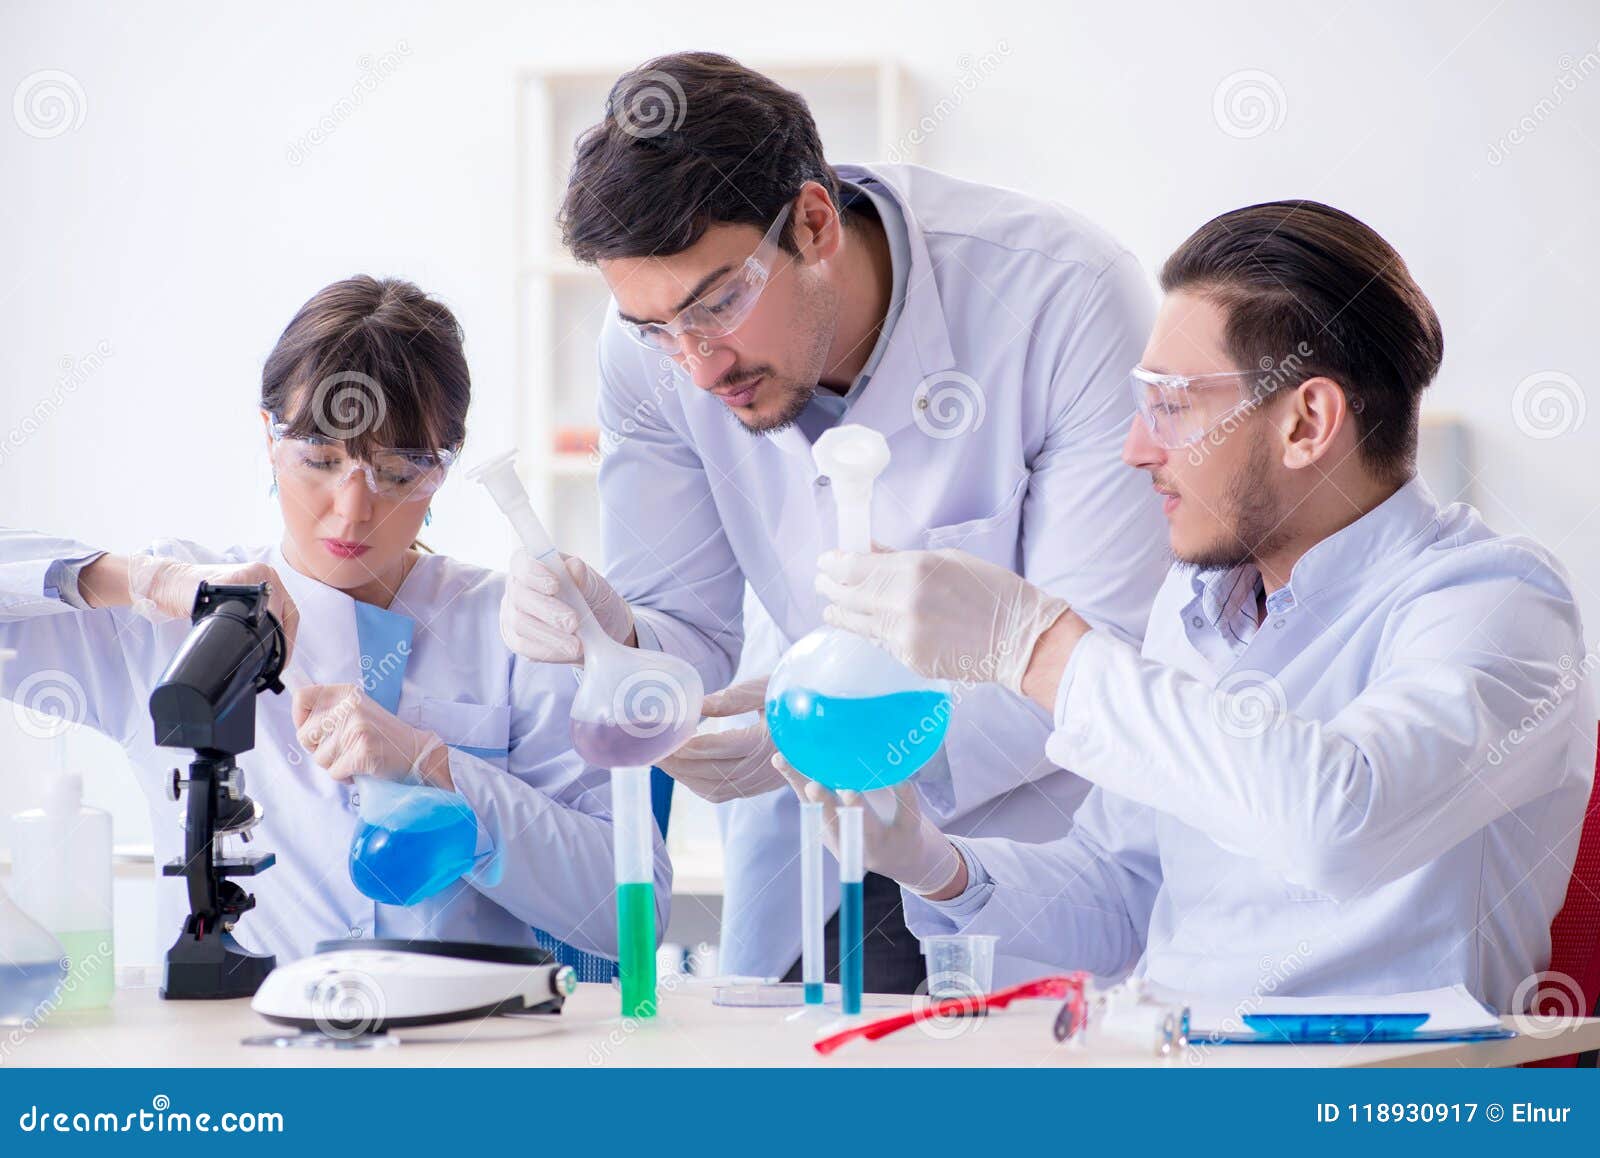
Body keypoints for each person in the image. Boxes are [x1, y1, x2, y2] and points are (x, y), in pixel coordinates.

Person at [785, 200, 1595, 1011]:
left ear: (1307, 422)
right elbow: (1123, 891)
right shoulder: (1199, 604)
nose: (1136, 449)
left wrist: (1034, 648)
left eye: (1171, 407)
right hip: (1173, 1066)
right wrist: (936, 865)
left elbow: (1341, 822)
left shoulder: (1496, 602)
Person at [497, 52, 1169, 990]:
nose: (697, 365)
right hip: (809, 848)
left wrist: (820, 736)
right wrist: (622, 642)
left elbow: (1097, 660)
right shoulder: (650, 346)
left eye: (720, 303)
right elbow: (688, 637)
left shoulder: (1063, 296)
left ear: (815, 222)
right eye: (659, 331)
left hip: (1035, 847)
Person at [0, 275, 669, 967]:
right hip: (240, 1027)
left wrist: (436, 767)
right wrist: (147, 580)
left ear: (446, 467)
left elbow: (632, 914)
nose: (352, 512)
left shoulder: (510, 628)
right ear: (269, 436)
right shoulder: (167, 622)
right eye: (320, 460)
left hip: (466, 1029)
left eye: (400, 472)